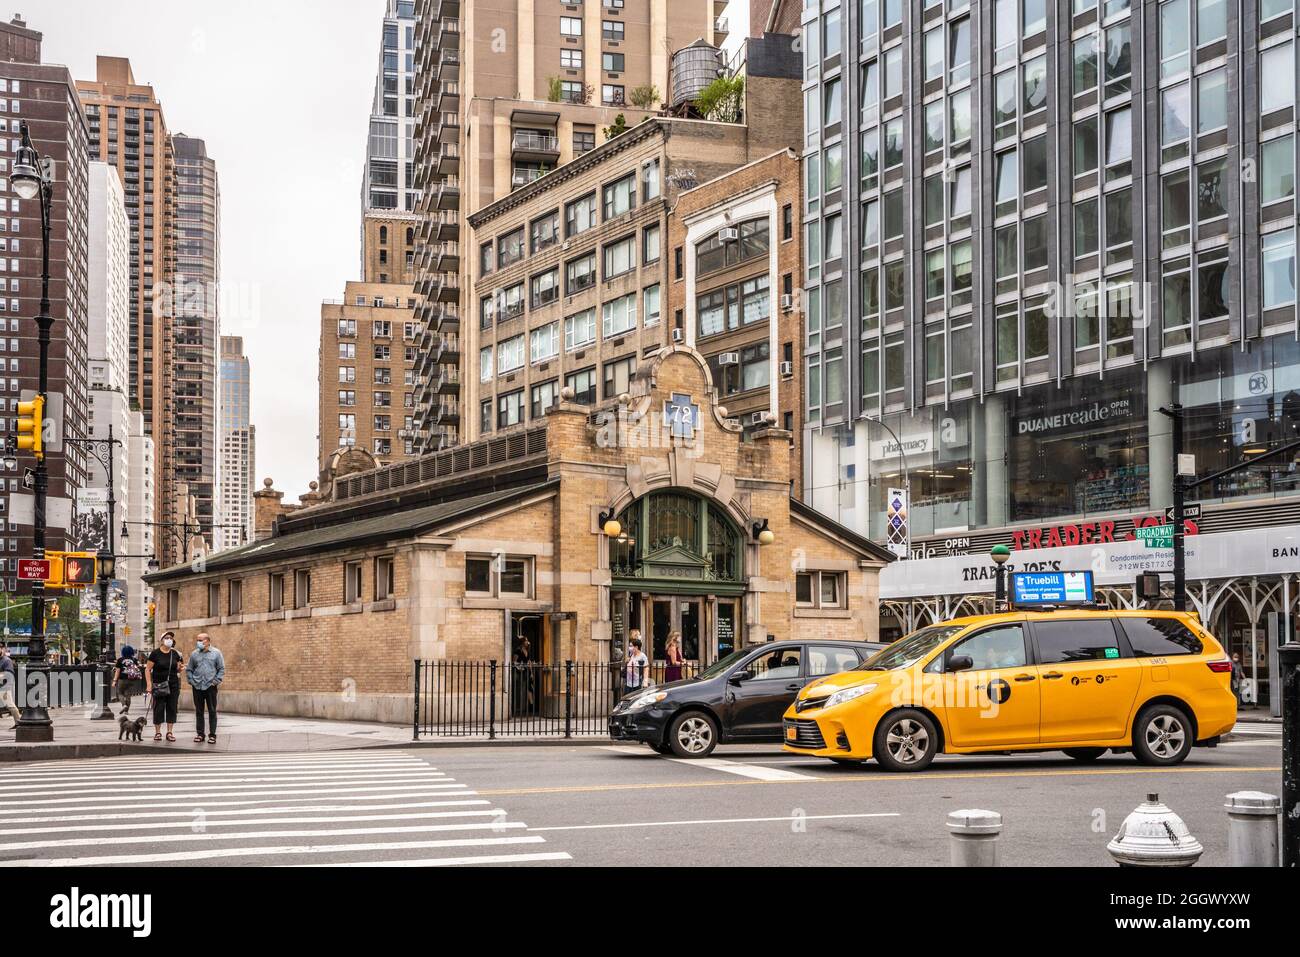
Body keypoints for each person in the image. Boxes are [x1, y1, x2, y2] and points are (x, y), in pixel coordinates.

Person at [186, 632, 225, 744]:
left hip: (210, 686)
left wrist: (215, 681)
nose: (198, 642)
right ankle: (200, 734)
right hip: (197, 686)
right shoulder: (194, 654)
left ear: (207, 641)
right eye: (197, 640)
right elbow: (189, 669)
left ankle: (212, 735)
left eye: (200, 640)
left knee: (212, 711)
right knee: (199, 711)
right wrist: (192, 681)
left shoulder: (216, 653)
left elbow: (221, 668)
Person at [145, 632, 184, 743]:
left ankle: (169, 732)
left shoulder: (176, 654)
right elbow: (147, 669)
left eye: (171, 638)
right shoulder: (155, 653)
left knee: (172, 707)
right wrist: (149, 684)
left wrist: (180, 668)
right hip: (159, 685)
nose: (169, 640)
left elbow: (178, 668)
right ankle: (158, 732)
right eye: (166, 638)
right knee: (159, 708)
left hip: (173, 684)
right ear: (162, 640)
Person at [113, 645, 145, 716]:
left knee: (120, 693)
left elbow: (117, 671)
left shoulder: (120, 660)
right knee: (128, 695)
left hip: (122, 679)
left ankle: (124, 705)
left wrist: (114, 680)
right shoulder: (134, 660)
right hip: (131, 679)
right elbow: (138, 668)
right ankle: (126, 711)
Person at [0, 646, 20, 730]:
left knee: (10, 705)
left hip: (4, 687)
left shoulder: (6, 661)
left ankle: (18, 722)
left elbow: (9, 674)